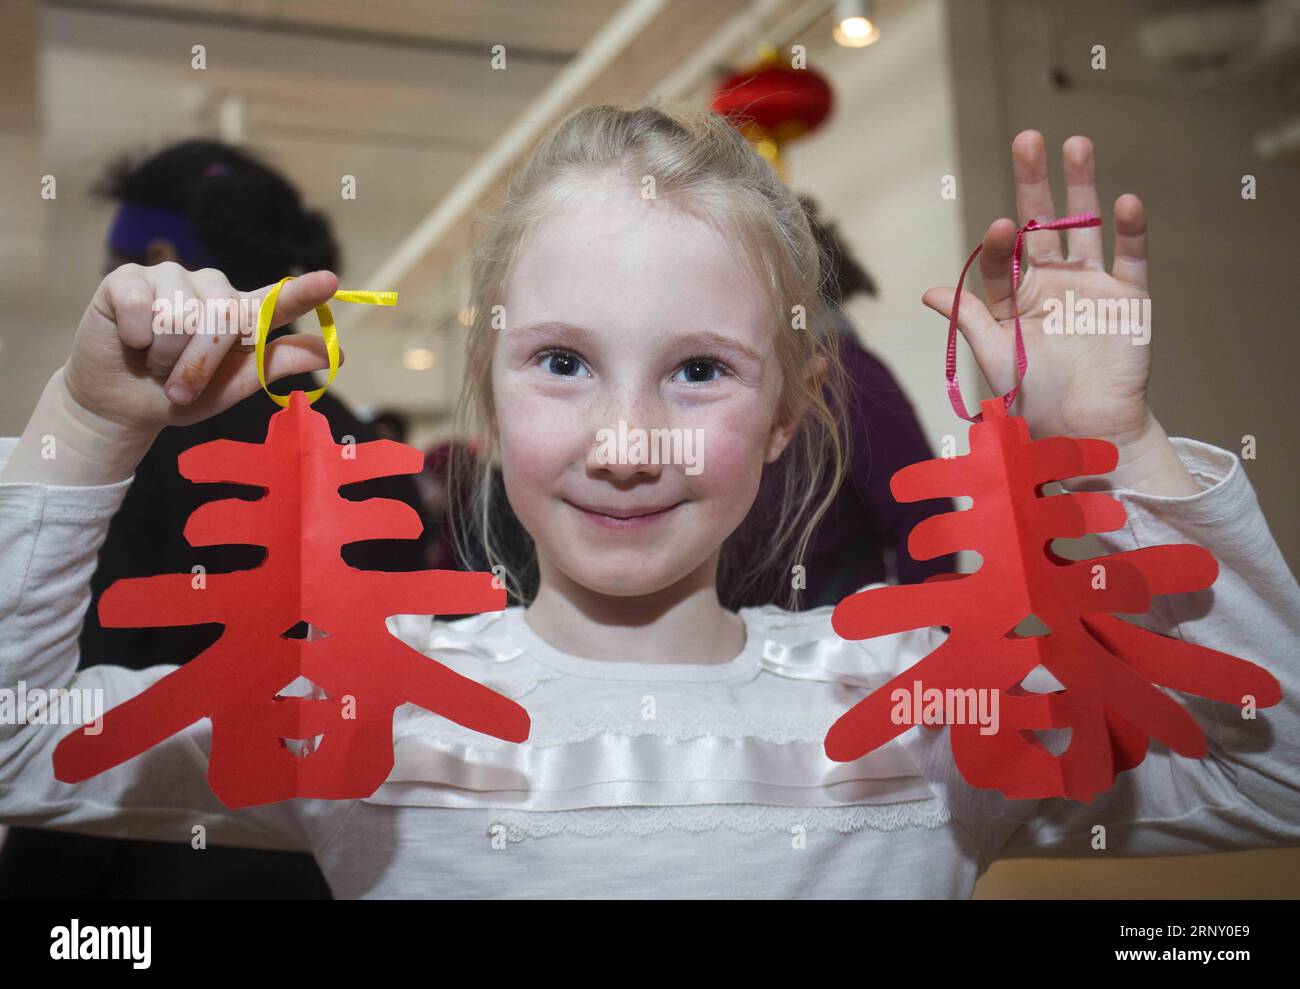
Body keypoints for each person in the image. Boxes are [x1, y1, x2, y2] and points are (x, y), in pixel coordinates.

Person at [0, 105, 1296, 898]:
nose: (625, 441)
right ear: (489, 399)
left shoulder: (921, 707)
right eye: (563, 363)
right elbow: (18, 742)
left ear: (789, 412)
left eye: (697, 370)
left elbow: (1278, 775)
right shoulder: (360, 708)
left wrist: (1114, 440)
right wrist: (90, 419)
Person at [0, 140, 431, 899]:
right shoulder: (366, 448)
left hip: (132, 846)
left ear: (159, 255)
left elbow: (40, 710)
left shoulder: (131, 449)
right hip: (322, 861)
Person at [727, 195, 957, 610]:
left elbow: (928, 520)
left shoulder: (850, 375)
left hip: (837, 655)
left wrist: (922, 643)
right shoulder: (727, 375)